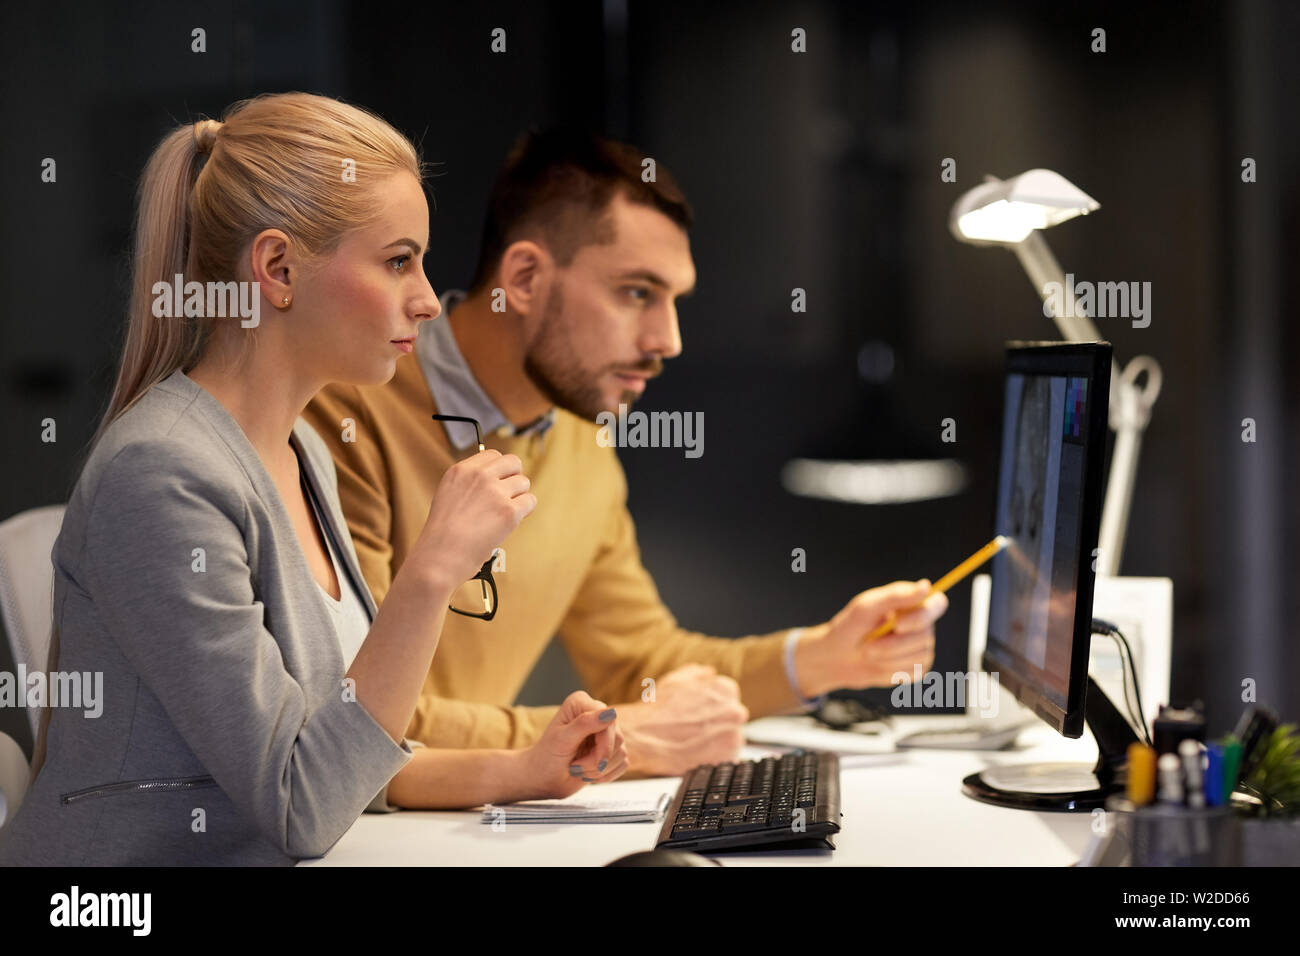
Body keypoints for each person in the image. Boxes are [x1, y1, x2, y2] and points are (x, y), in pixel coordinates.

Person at [0, 95, 625, 867]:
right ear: (278, 268)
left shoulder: (305, 453)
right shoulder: (160, 474)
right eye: (398, 261)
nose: (428, 300)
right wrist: (433, 571)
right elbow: (300, 804)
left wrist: (525, 769)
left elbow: (340, 756)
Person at [304, 129, 948, 776]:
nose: (668, 340)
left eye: (673, 301)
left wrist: (823, 656)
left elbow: (639, 663)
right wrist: (615, 733)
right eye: (637, 293)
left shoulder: (580, 434)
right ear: (523, 279)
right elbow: (360, 719)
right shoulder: (345, 414)